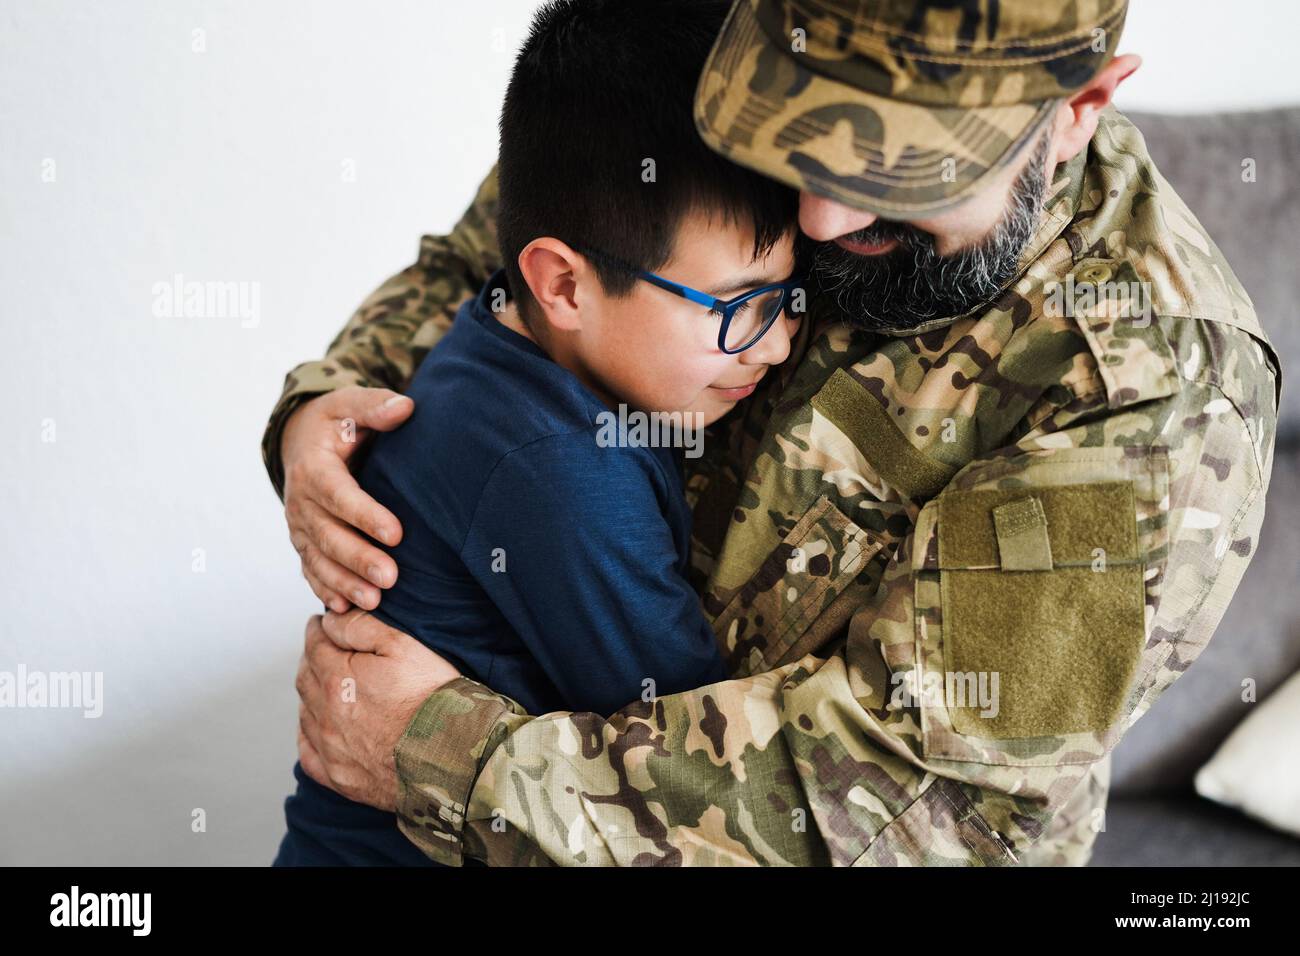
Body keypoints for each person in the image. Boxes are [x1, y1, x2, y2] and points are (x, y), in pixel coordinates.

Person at [273, 0, 1281, 865]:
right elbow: (502, 256)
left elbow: (910, 801)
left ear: (1078, 111)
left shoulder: (1147, 387)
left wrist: (447, 755)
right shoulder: (739, 40)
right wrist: (329, 406)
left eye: (893, 170)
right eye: (792, 137)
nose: (819, 217)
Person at [272, 0, 804, 865]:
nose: (778, 343)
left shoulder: (498, 338)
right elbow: (691, 752)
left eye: (789, 296)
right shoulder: (560, 474)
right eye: (743, 305)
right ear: (561, 284)